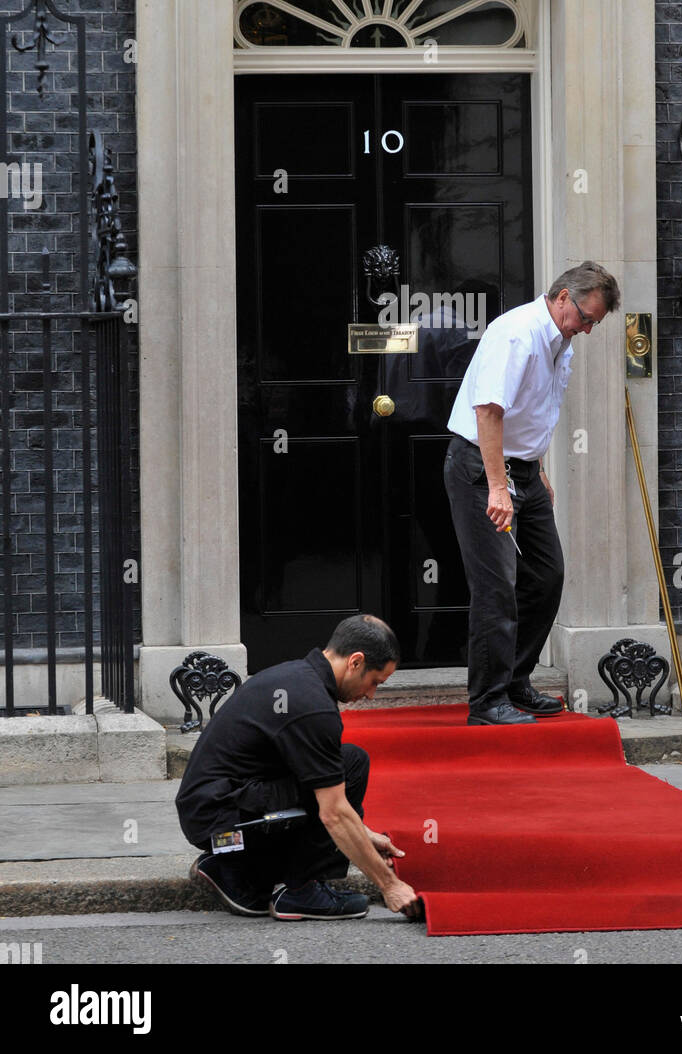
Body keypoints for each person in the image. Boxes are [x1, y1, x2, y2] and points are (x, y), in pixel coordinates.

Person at [443, 262, 621, 725]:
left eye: (594, 324)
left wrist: (535, 468)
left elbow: (535, 409)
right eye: (584, 317)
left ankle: (516, 680)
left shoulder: (560, 342)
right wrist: (499, 485)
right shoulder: (517, 334)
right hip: (482, 469)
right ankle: (487, 701)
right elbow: (488, 410)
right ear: (562, 296)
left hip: (523, 470)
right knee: (496, 585)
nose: (585, 328)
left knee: (545, 576)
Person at [176, 614, 422, 921]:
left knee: (344, 763)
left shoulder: (298, 677)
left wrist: (364, 835)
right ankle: (302, 891)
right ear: (356, 662)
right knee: (352, 765)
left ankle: (235, 866)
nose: (371, 695)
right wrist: (390, 886)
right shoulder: (313, 706)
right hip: (219, 818)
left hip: (213, 809)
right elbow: (332, 812)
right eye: (375, 682)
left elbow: (306, 780)